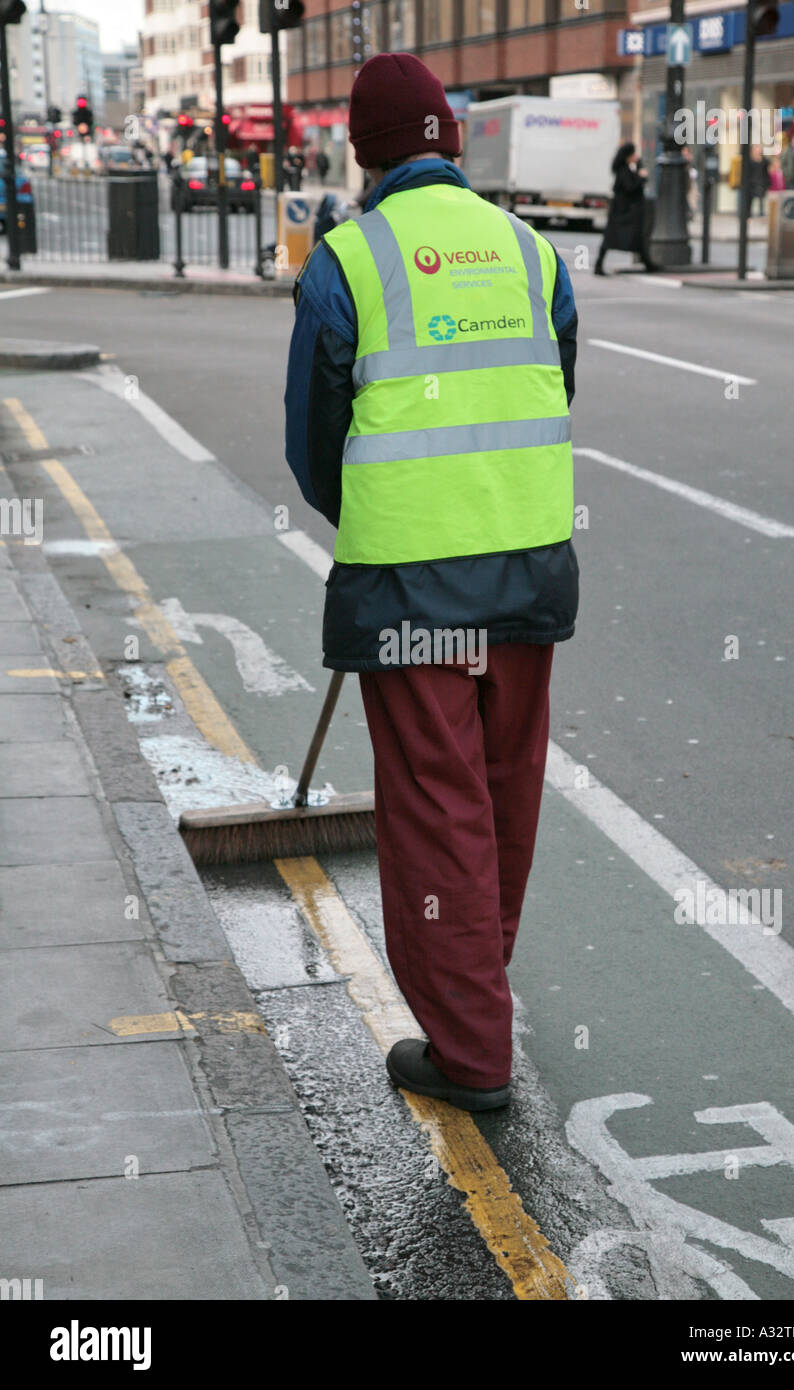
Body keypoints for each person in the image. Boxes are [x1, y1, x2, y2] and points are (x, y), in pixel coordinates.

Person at [284, 52, 579, 1112]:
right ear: (447, 139)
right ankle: (477, 985)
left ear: (361, 155)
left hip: (410, 591)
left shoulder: (346, 261)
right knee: (501, 792)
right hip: (530, 570)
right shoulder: (530, 250)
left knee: (437, 806)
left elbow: (315, 443)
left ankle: (470, 1048)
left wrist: (373, 515)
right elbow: (555, 386)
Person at [594, 142, 659, 275]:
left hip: (625, 211)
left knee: (636, 238)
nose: (636, 156)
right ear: (628, 156)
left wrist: (639, 169)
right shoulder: (623, 170)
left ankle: (647, 263)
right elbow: (631, 187)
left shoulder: (627, 169)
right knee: (612, 238)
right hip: (622, 212)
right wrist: (641, 177)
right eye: (633, 154)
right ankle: (598, 265)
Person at [743, 144, 770, 217]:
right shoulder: (749, 160)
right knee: (750, 199)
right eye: (756, 149)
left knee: (761, 199)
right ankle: (748, 215)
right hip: (751, 182)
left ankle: (761, 214)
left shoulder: (764, 160)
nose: (757, 151)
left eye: (759, 149)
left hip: (761, 182)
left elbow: (767, 171)